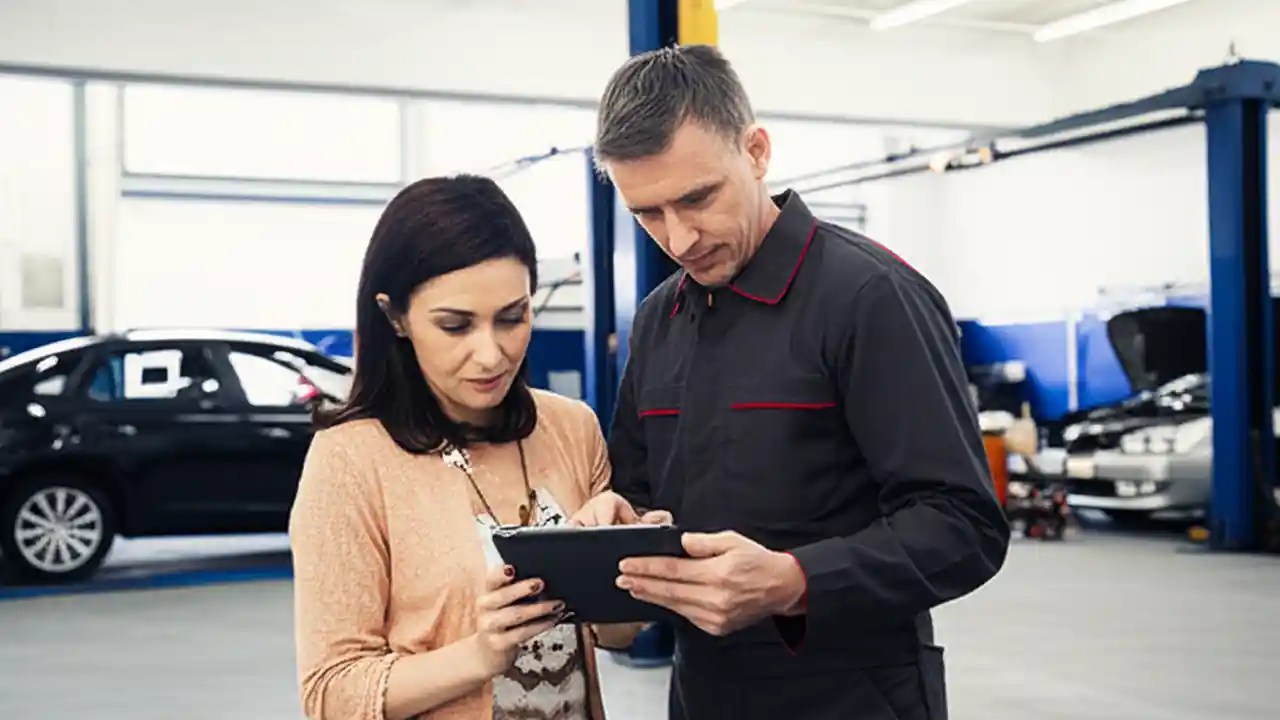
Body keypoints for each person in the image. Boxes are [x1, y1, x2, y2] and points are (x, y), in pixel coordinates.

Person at [573, 44, 1012, 719]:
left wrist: (793, 581)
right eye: (648, 215)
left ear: (755, 152)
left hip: (853, 696)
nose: (680, 238)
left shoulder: (870, 297)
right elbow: (639, 492)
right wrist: (618, 523)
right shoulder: (662, 319)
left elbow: (964, 526)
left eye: (697, 198)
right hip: (701, 694)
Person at [289, 175, 653, 720]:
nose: (491, 355)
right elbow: (331, 694)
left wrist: (622, 564)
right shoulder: (352, 461)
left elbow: (615, 637)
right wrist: (480, 654)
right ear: (395, 318)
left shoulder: (570, 428)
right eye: (455, 326)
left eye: (513, 317)